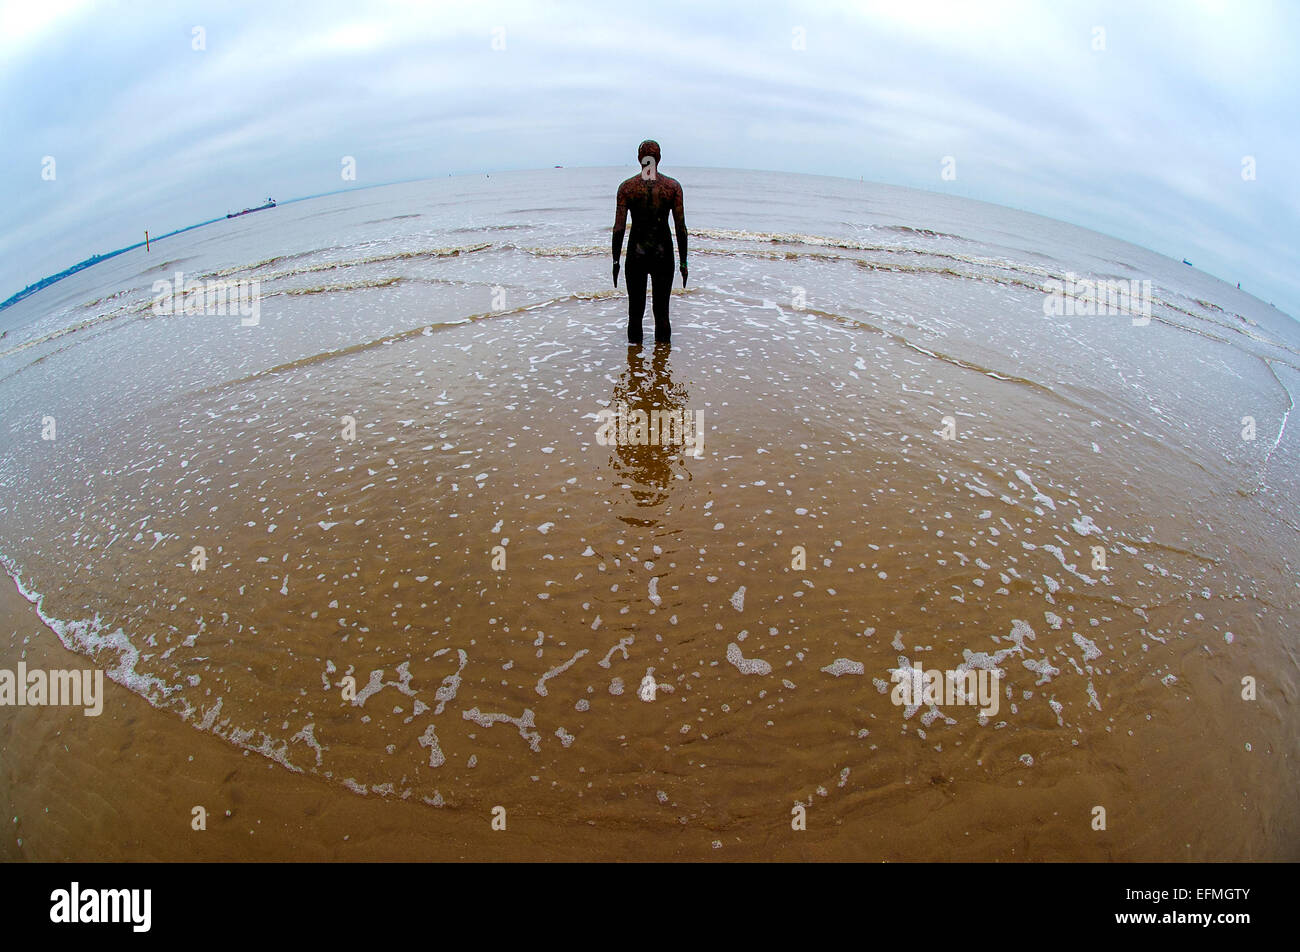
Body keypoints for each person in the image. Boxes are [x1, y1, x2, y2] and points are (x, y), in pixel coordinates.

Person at [612, 140, 687, 344]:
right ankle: (662, 367)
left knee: (635, 312)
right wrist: (684, 263)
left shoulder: (627, 188)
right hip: (663, 255)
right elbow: (681, 228)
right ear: (659, 158)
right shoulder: (672, 187)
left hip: (636, 254)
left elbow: (618, 229)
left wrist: (615, 261)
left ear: (639, 159)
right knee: (662, 312)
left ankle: (634, 368)